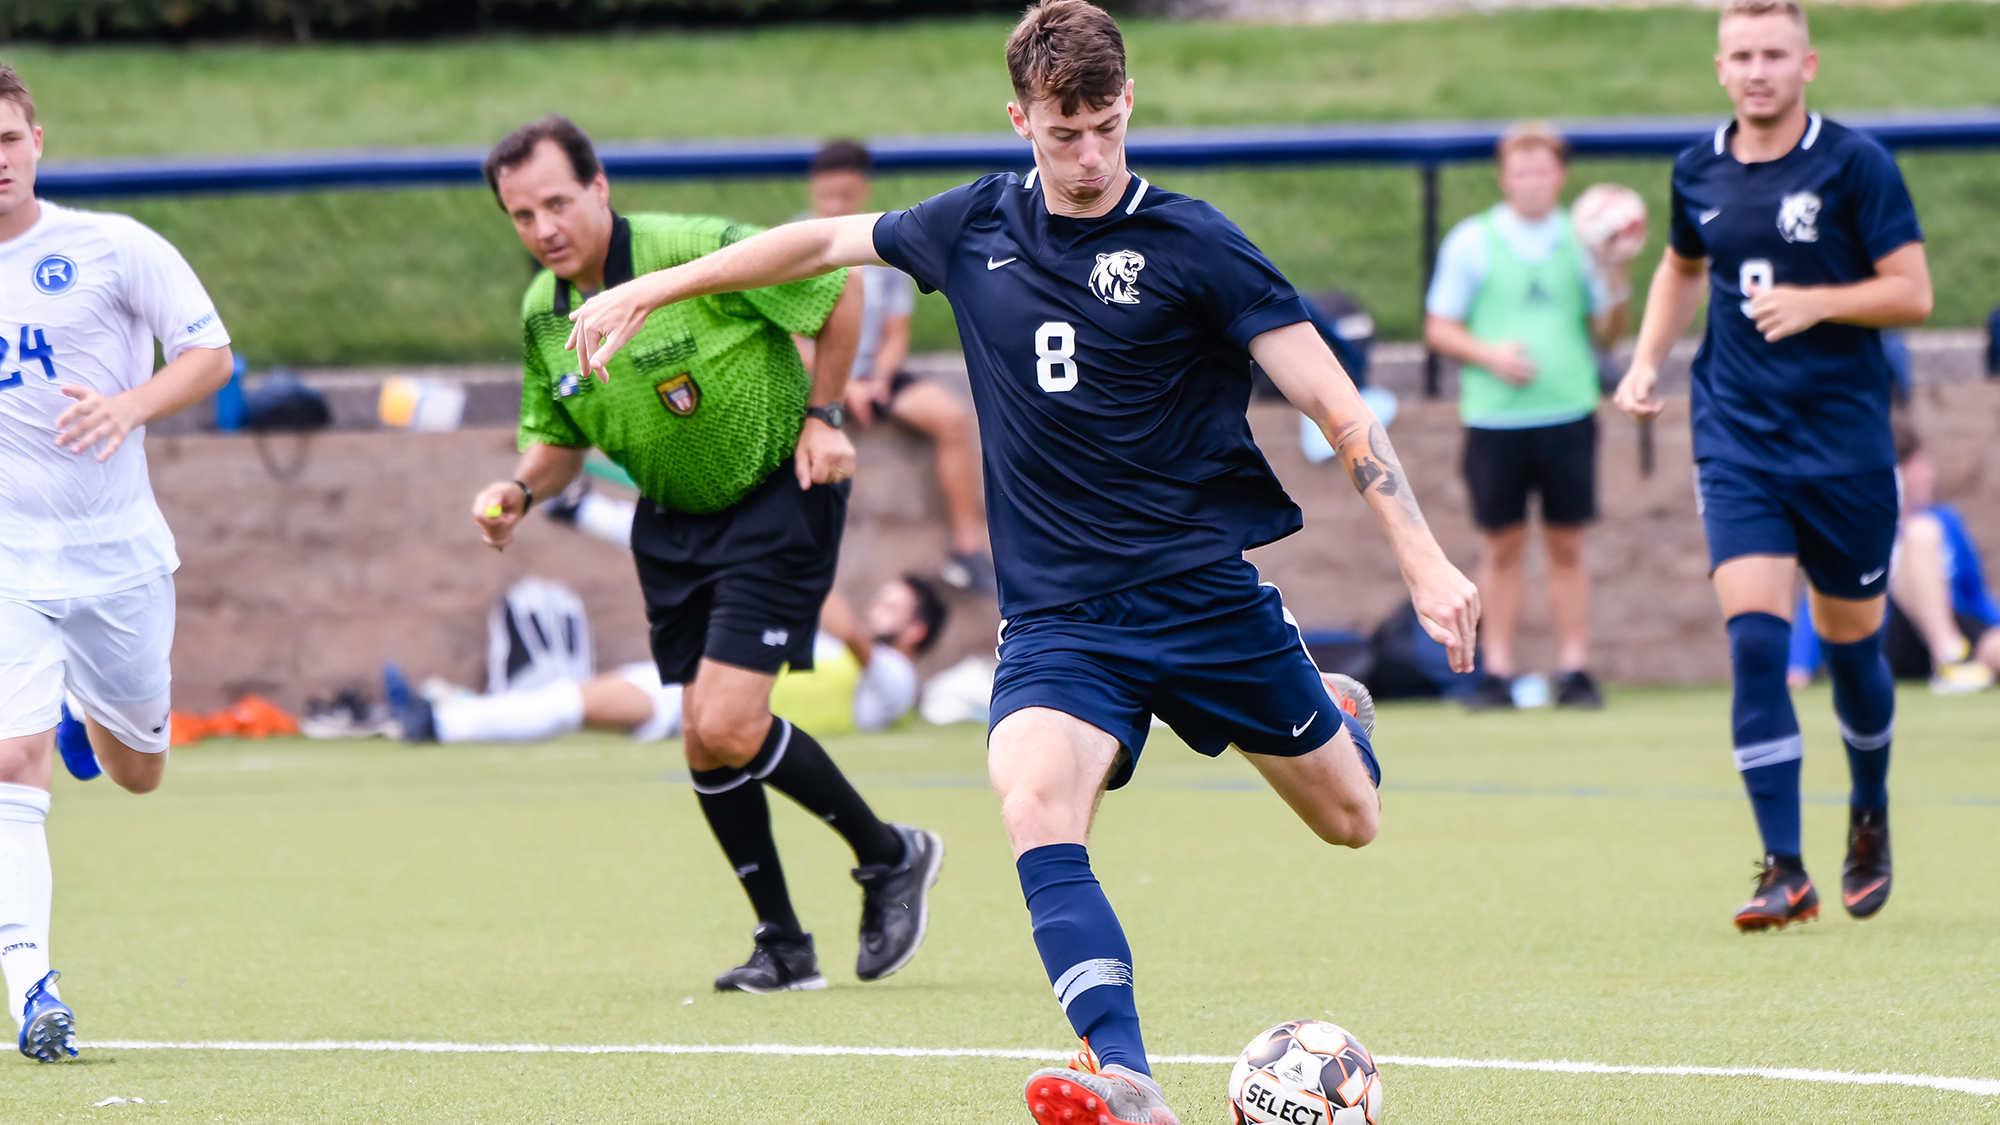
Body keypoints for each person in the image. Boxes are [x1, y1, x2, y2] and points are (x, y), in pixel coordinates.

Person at [565, 5, 1479, 1122]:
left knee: (1349, 820)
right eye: (1062, 133)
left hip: (1200, 597)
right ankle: (1126, 1074)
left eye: (1102, 127)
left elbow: (1337, 408)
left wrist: (1424, 563)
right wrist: (648, 285)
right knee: (1032, 803)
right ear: (1020, 120)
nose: (1087, 157)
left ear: (1127, 107)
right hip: (1060, 620)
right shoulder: (971, 227)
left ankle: (1338, 717)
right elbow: (814, 245)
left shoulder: (1195, 244)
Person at [468, 115, 944, 993]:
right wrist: (521, 490)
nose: (544, 229)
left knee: (727, 723)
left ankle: (888, 855)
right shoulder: (545, 313)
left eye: (558, 203)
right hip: (674, 525)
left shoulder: (693, 251)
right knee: (700, 738)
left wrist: (824, 415)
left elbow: (839, 289)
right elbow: (559, 439)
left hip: (776, 494)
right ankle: (785, 944)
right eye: (522, 216)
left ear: (600, 186)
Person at [1613, 0, 1933, 932]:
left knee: (1853, 650)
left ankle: (1867, 813)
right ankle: (1784, 868)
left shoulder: (1855, 164)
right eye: (1742, 54)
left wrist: (1819, 303)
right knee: (1755, 641)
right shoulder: (1698, 166)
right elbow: (1681, 265)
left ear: (1808, 64)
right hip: (1738, 437)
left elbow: (1912, 291)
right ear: (1720, 67)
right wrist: (1645, 361)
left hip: (1845, 448)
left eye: (1775, 55)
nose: (1758, 70)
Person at [0, 64, 236, 1061]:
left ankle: (83, 713)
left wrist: (128, 406)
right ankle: (32, 989)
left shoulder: (112, 246)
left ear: (36, 141)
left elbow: (210, 353)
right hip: (9, 558)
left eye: (5, 141)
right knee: (11, 760)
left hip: (120, 556)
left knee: (140, 771)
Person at [1424, 122, 1632, 711]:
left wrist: (1617, 277)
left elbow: (1610, 333)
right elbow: (1439, 327)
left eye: (1543, 169)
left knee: (1567, 545)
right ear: (1504, 177)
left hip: (1567, 410)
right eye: (1521, 170)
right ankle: (1497, 670)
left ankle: (1574, 669)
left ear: (1560, 176)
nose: (1532, 181)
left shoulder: (1584, 241)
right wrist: (1491, 355)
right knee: (1502, 546)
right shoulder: (1474, 240)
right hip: (1495, 419)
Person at [404, 577, 949, 744]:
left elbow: (851, 632)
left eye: (892, 605)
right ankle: (456, 714)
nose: (878, 607)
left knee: (571, 701)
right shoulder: (844, 653)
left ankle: (441, 723)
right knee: (571, 700)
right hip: (706, 682)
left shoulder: (897, 680)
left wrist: (805, 565)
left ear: (916, 630)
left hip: (716, 709)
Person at [802, 141, 996, 596]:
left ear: (862, 190)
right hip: (818, 378)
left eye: (846, 197)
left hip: (874, 377)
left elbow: (896, 332)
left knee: (949, 418)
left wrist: (877, 380)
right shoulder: (794, 241)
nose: (836, 207)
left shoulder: (879, 240)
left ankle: (969, 548)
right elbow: (793, 341)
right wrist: (842, 385)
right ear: (814, 188)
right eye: (828, 195)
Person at [1789, 421, 2000, 694]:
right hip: (1892, 637)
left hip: (1957, 626)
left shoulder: (1946, 522)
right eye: (1918, 466)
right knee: (1920, 534)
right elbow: (1822, 597)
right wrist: (1798, 665)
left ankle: (1954, 662)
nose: (1928, 475)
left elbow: (1975, 594)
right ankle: (1947, 656)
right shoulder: (1859, 532)